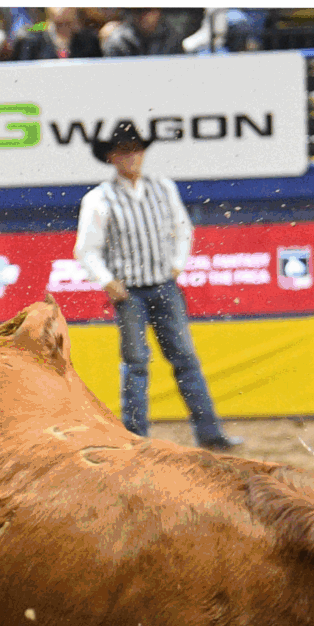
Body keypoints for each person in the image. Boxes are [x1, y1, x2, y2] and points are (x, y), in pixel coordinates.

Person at [74, 122, 240, 451]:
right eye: (124, 151)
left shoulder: (163, 188)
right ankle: (136, 438)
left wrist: (177, 264)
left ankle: (210, 434)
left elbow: (183, 230)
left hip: (163, 285)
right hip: (131, 292)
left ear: (142, 152)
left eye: (135, 149)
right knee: (137, 364)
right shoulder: (99, 199)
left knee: (184, 360)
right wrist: (108, 282)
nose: (131, 156)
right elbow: (86, 249)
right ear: (112, 158)